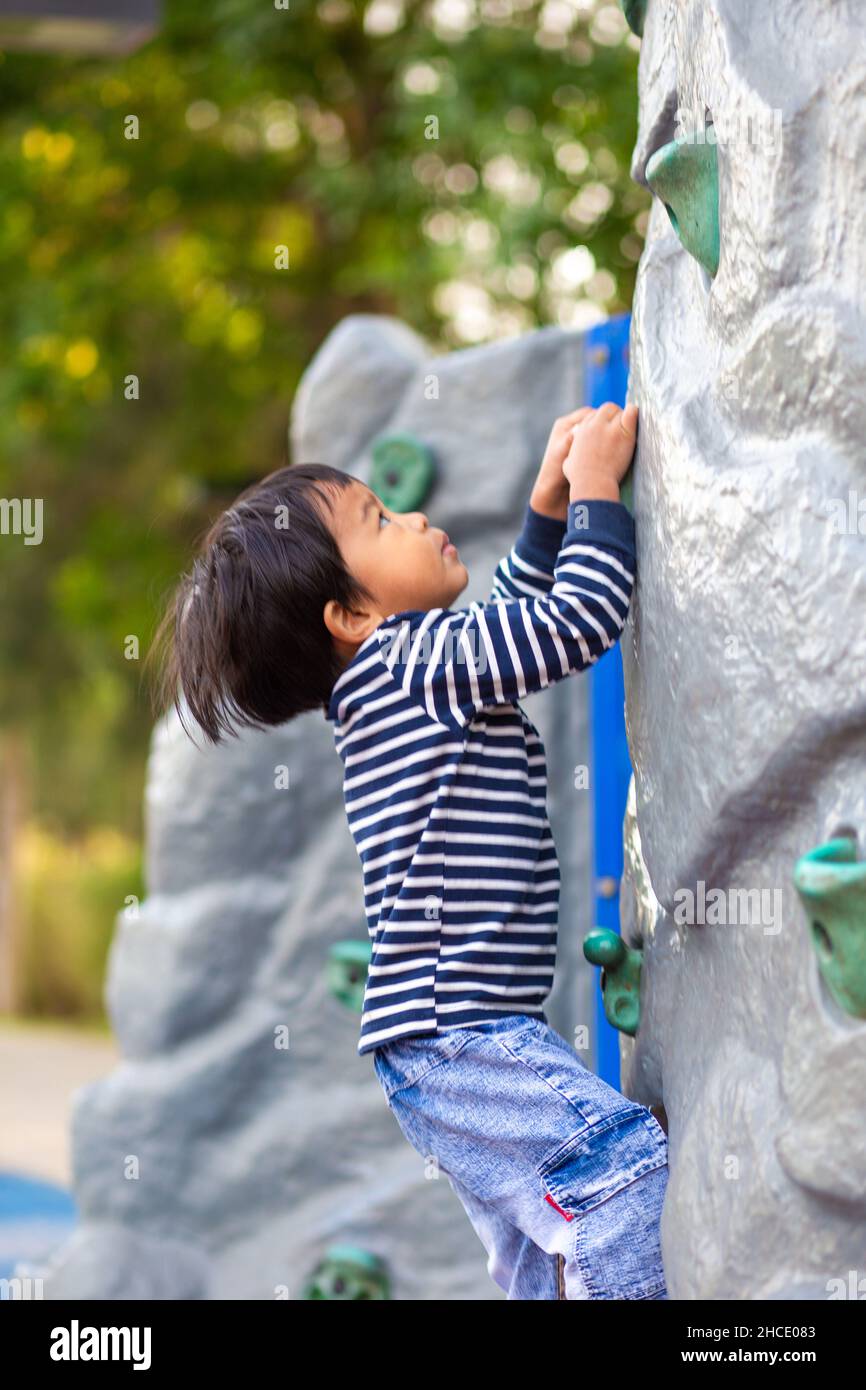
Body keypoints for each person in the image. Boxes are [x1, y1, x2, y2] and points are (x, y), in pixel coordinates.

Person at [152, 399, 669, 1300]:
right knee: (620, 1179)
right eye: (380, 523)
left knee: (541, 1254)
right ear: (352, 615)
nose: (417, 518)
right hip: (458, 1039)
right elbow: (576, 623)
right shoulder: (413, 662)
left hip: (445, 1047)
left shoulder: (405, 676)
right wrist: (595, 491)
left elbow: (510, 628)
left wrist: (545, 514)